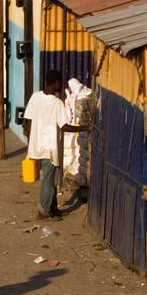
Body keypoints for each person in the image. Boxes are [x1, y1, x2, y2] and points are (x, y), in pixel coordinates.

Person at [22, 70, 86, 219]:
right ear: (56, 83)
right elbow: (64, 126)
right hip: (50, 147)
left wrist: (31, 143)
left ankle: (53, 208)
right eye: (60, 82)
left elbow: (29, 121)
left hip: (38, 145)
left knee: (52, 178)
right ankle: (44, 209)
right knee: (49, 180)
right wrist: (84, 128)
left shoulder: (35, 97)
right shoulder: (57, 103)